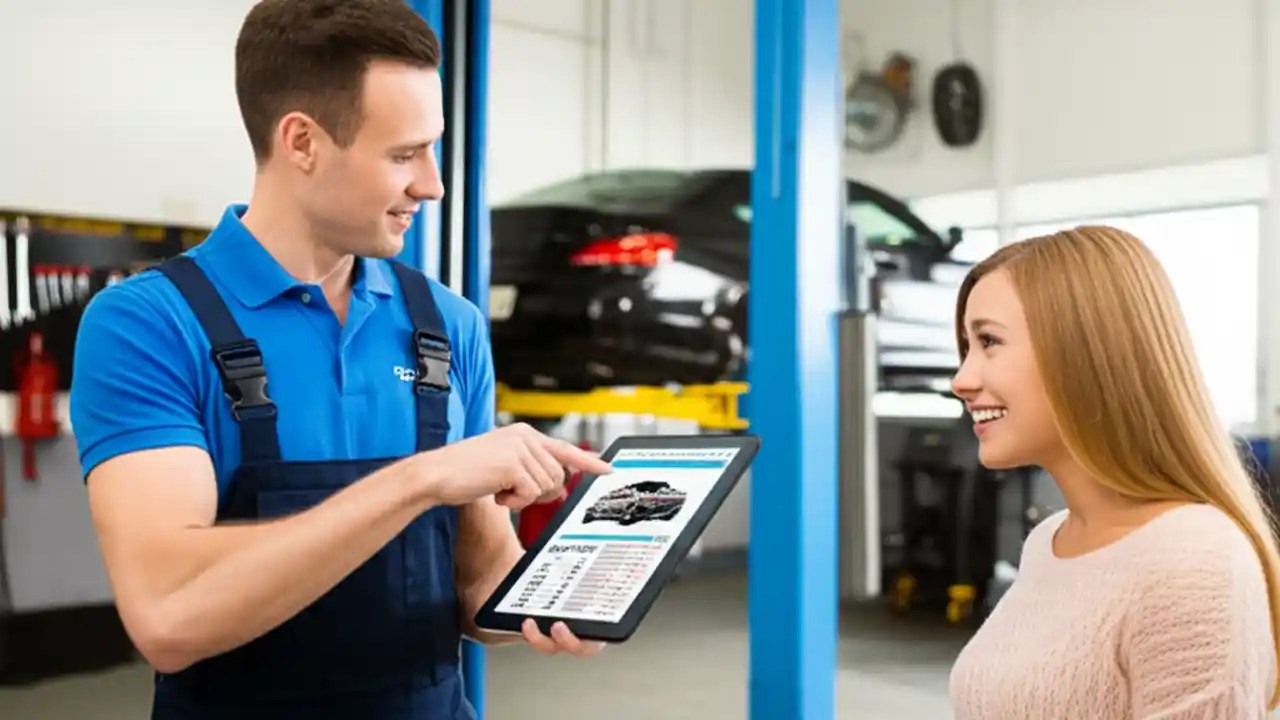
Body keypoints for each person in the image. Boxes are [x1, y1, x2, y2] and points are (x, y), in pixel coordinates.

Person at [68, 1, 611, 718]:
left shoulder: (448, 327)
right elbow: (170, 617)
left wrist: (570, 593)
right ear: (302, 141)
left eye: (434, 148)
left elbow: (479, 584)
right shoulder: (149, 325)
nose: (433, 183)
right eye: (402, 154)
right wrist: (418, 480)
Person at [946, 225, 1280, 718]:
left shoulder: (1192, 563)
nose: (961, 380)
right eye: (966, 346)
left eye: (989, 341)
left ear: (1083, 352)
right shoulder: (1050, 541)